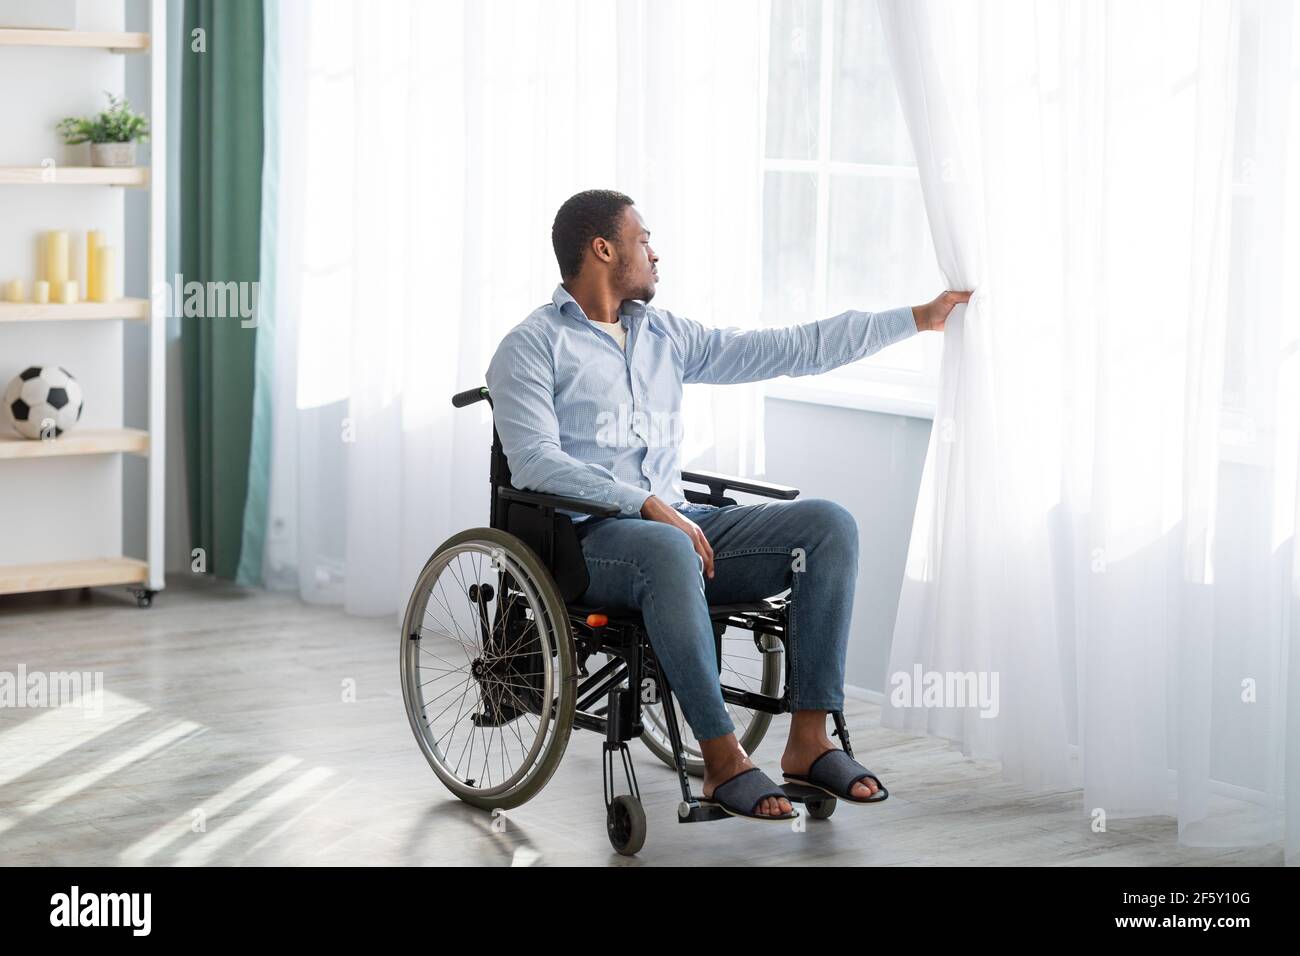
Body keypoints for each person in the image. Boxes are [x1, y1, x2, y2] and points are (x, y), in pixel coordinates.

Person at [486, 189, 970, 819]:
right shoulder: (532, 345)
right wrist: (644, 504)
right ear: (603, 250)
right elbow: (536, 463)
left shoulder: (664, 335)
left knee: (827, 526)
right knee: (666, 544)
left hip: (684, 530)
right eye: (643, 241)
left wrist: (914, 318)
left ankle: (808, 742)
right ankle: (722, 761)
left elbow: (790, 347)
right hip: (586, 544)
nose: (656, 255)